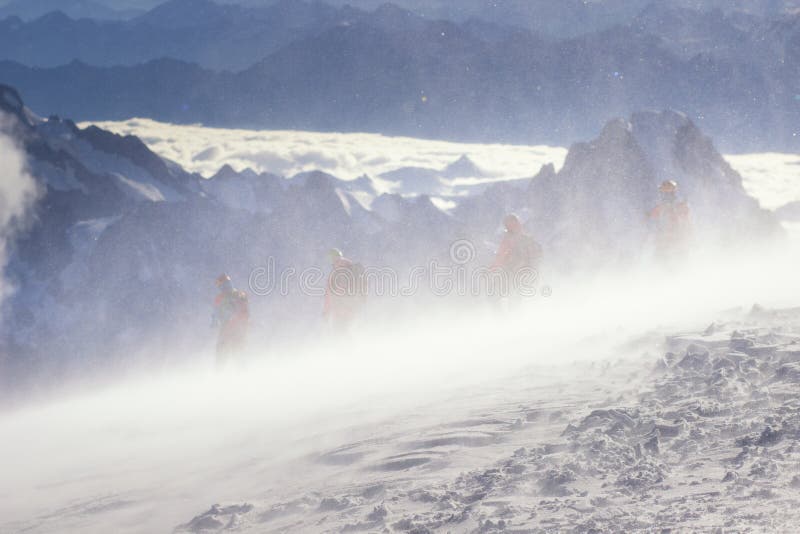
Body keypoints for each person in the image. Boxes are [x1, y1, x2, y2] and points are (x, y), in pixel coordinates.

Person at [490, 214, 543, 298]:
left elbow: (501, 256)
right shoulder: (526, 238)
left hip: (514, 272)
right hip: (525, 273)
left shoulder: (509, 238)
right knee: (517, 295)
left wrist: (492, 269)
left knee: (508, 294)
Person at [323, 248, 366, 331]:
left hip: (340, 310)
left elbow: (328, 296)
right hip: (354, 308)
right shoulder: (352, 268)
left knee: (339, 333)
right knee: (345, 332)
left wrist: (326, 313)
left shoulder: (334, 274)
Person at [212, 274, 249, 364]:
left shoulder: (239, 295)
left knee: (234, 351)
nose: (224, 287)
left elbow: (245, 311)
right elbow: (216, 312)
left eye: (226, 284)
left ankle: (237, 371)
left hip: (235, 328)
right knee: (225, 351)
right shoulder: (220, 298)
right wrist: (215, 320)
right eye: (221, 285)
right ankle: (222, 371)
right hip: (229, 328)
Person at [648, 180, 691, 259]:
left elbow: (686, 220)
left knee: (677, 259)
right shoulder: (661, 206)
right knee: (662, 260)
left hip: (676, 240)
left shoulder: (679, 205)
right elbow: (652, 217)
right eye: (664, 192)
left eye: (668, 192)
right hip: (665, 240)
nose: (665, 195)